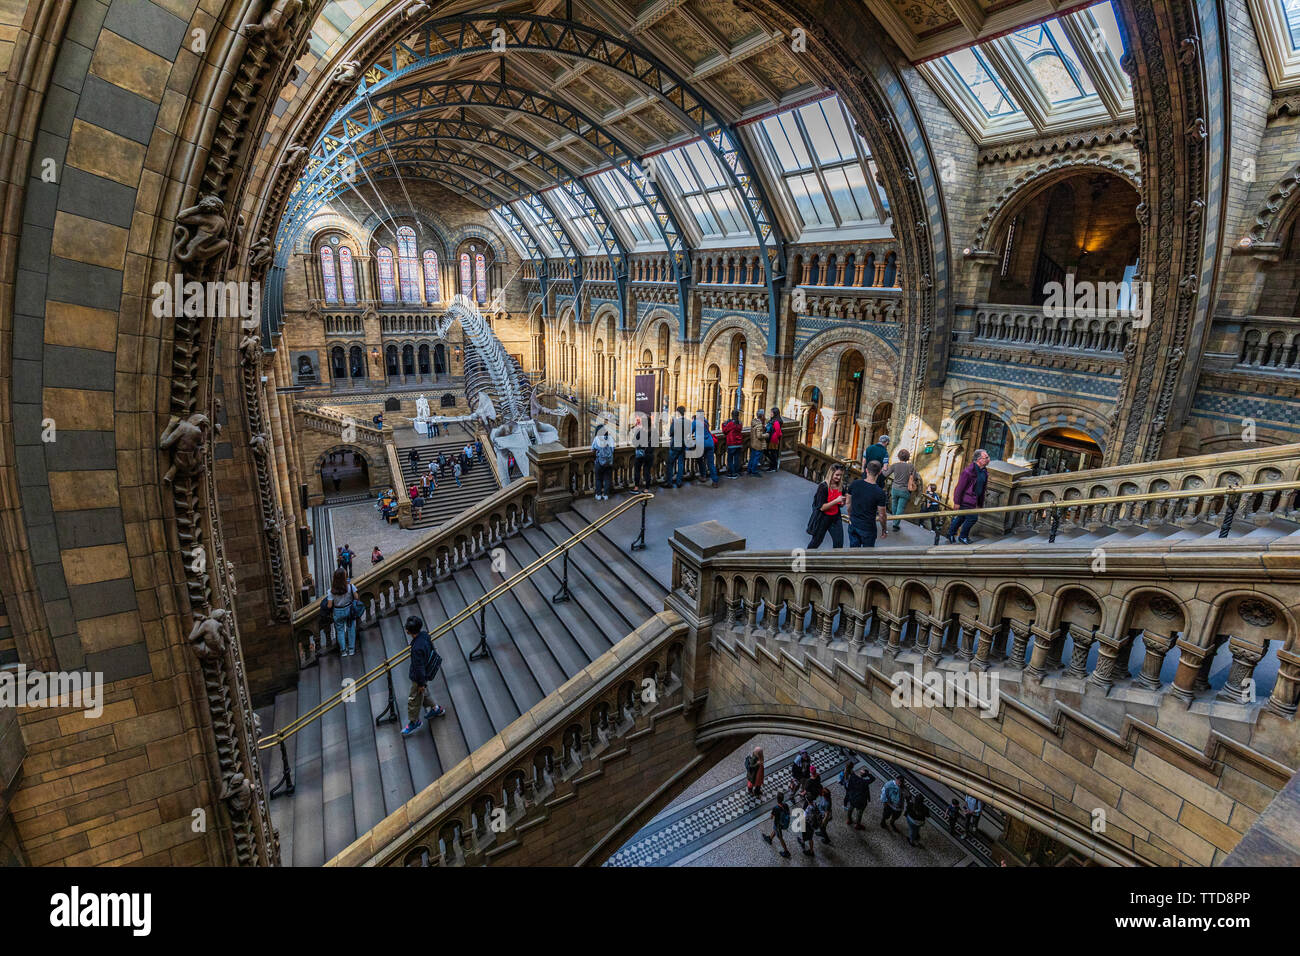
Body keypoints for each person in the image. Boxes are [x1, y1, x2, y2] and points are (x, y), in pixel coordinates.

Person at [401, 616, 446, 736]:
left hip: (419, 677)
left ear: (409, 631)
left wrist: (421, 683)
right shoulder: (425, 635)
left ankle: (414, 721)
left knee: (413, 699)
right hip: (426, 671)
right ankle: (436, 709)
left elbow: (418, 667)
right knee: (423, 694)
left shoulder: (416, 649)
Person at [947, 449, 991, 544]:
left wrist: (980, 503)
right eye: (986, 457)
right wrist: (957, 502)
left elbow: (982, 489)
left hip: (974, 500)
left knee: (961, 517)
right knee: (972, 518)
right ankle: (963, 537)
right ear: (979, 459)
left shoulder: (984, 471)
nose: (988, 459)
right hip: (966, 500)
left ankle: (950, 533)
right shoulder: (968, 472)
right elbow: (959, 488)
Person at [845, 460, 890, 547]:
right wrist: (884, 529)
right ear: (880, 472)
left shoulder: (854, 484)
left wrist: (850, 516)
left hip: (854, 524)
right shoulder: (880, 493)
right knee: (867, 554)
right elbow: (882, 515)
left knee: (853, 552)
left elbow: (848, 503)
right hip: (868, 527)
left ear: (866, 470)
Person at [807, 464, 846, 549]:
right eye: (837, 475)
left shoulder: (841, 487)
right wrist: (836, 501)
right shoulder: (823, 487)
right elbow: (822, 507)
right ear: (831, 474)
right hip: (823, 518)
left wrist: (842, 503)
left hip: (835, 518)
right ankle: (806, 558)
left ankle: (834, 561)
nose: (839, 478)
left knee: (839, 544)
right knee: (816, 541)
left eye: (841, 475)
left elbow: (840, 504)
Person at [881, 448, 918, 532]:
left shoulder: (895, 465)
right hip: (905, 490)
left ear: (899, 457)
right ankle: (895, 524)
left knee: (894, 505)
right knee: (900, 508)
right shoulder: (911, 466)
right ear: (908, 457)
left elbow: (885, 474)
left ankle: (895, 521)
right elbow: (914, 478)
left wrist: (883, 468)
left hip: (895, 488)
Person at [327, 568, 359, 657]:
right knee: (351, 628)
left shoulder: (331, 591)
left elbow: (329, 605)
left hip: (338, 611)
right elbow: (356, 597)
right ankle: (351, 649)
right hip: (349, 609)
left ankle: (343, 651)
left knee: (340, 631)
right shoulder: (351, 586)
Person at [761, 792, 792, 859]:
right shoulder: (786, 805)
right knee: (775, 829)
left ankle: (786, 852)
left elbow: (771, 817)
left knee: (780, 838)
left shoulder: (776, 808)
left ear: (777, 799)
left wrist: (772, 814)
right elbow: (788, 813)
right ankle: (770, 839)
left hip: (778, 824)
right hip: (783, 823)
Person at [692, 410, 718, 487]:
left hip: (701, 444)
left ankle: (703, 476)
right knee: (711, 463)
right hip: (710, 443)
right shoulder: (705, 420)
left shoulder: (695, 422)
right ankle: (715, 481)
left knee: (699, 459)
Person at [845, 765, 875, 830]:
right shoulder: (864, 782)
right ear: (865, 776)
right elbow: (873, 779)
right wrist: (868, 774)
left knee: (850, 808)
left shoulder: (853, 777)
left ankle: (849, 820)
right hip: (860, 801)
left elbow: (849, 770)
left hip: (852, 797)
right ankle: (857, 824)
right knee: (859, 813)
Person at [666, 405, 688, 489]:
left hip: (675, 445)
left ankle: (669, 482)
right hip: (683, 445)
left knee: (670, 464)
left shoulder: (675, 422)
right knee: (681, 464)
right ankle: (679, 482)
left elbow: (670, 433)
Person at [631, 415, 654, 492]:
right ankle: (646, 489)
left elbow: (634, 442)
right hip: (649, 454)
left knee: (637, 470)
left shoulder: (640, 431)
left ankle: (636, 488)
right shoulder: (653, 432)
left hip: (640, 454)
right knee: (647, 471)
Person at [591, 428, 614, 501]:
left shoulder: (597, 439)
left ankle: (598, 495)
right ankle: (606, 495)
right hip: (608, 463)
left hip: (599, 462)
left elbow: (593, 449)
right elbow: (613, 449)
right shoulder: (610, 438)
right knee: (607, 479)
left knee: (598, 479)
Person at [721, 409, 744, 479]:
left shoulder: (731, 423)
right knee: (736, 459)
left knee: (730, 459)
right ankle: (736, 472)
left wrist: (723, 424)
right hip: (739, 443)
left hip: (732, 443)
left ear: (732, 415)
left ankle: (733, 473)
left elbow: (725, 431)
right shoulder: (740, 423)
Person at [747, 409, 767, 476]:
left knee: (752, 457)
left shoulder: (754, 422)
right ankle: (754, 471)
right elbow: (759, 436)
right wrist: (766, 435)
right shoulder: (759, 425)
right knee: (756, 458)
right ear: (762, 416)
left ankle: (749, 470)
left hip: (753, 443)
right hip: (758, 444)